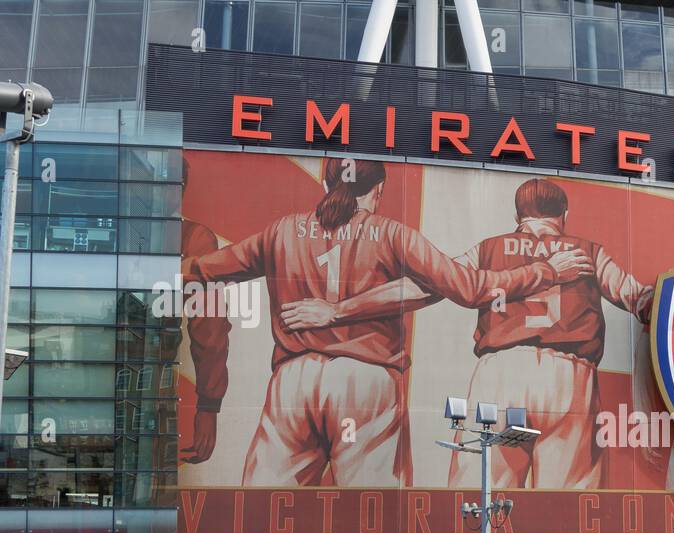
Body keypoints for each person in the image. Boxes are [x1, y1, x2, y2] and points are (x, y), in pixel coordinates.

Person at [182, 159, 594, 486]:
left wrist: (142, 265)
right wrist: (546, 271)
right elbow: (469, 288)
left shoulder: (282, 231)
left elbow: (207, 270)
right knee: (370, 514)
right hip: (366, 383)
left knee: (263, 514)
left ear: (327, 186)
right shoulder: (393, 234)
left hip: (292, 381)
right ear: (377, 191)